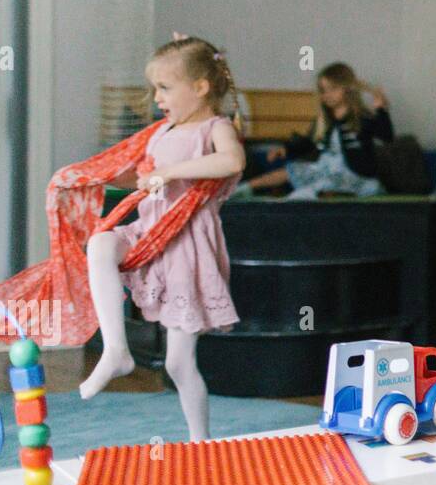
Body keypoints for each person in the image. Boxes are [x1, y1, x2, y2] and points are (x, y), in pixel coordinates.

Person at [79, 33, 246, 440]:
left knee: (178, 364)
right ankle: (116, 350)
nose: (157, 97)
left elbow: (232, 160)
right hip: (150, 232)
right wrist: (103, 176)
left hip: (186, 247)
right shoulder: (162, 131)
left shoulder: (216, 127)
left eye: (165, 88)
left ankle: (199, 440)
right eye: (156, 88)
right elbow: (145, 173)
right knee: (100, 244)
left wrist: (168, 173)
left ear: (200, 87)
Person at [238, 62, 392, 199]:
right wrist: (286, 149)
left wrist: (381, 110)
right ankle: (244, 189)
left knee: (319, 188)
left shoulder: (361, 118)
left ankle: (316, 197)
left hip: (351, 173)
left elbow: (387, 136)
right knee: (289, 171)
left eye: (332, 89)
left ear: (347, 89)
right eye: (323, 90)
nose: (327, 95)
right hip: (325, 167)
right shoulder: (324, 120)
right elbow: (309, 143)